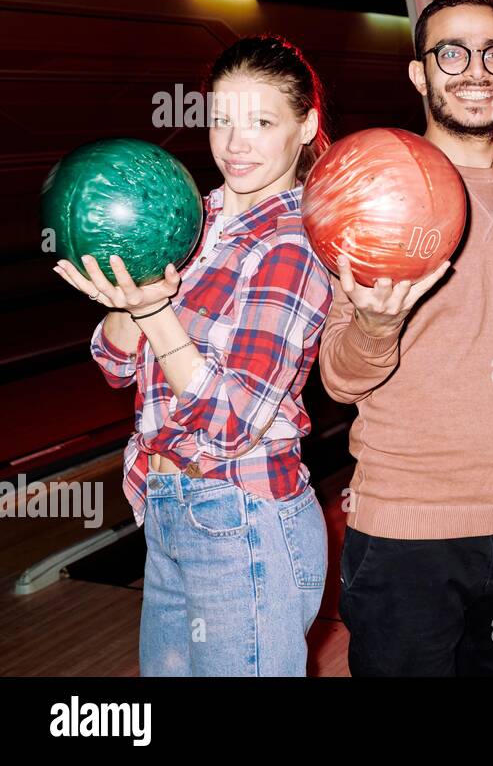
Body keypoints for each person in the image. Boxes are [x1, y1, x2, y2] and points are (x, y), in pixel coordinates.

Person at [320, 0, 493, 676]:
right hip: (407, 531)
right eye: (452, 53)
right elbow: (340, 380)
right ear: (419, 74)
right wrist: (377, 325)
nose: (475, 71)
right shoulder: (373, 189)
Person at [55, 34, 334, 675]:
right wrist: (125, 301)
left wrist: (153, 311)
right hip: (167, 508)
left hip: (243, 516)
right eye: (222, 120)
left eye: (262, 122)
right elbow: (115, 363)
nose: (236, 143)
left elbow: (232, 419)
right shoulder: (186, 219)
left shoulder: (293, 243)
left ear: (306, 126)